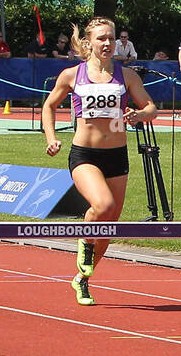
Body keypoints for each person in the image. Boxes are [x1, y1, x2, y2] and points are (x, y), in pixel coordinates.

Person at [41, 17, 157, 306]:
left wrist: (140, 115)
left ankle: (82, 279)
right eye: (101, 38)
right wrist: (51, 138)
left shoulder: (127, 76)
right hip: (85, 155)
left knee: (110, 225)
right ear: (89, 42)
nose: (107, 44)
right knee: (102, 206)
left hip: (117, 156)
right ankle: (84, 244)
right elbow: (49, 105)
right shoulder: (72, 75)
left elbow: (151, 107)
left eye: (111, 38)